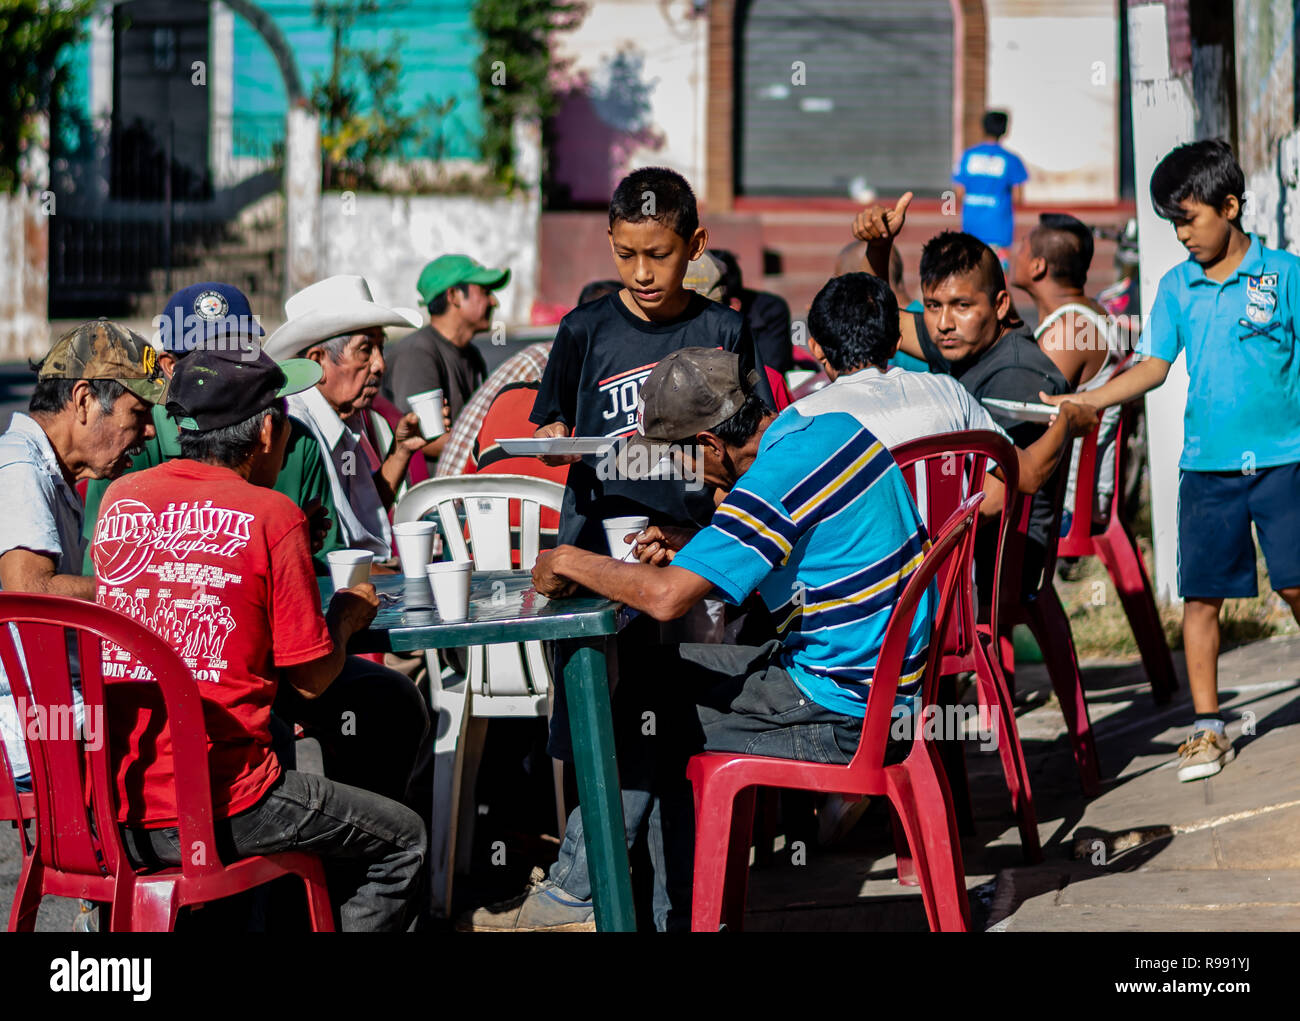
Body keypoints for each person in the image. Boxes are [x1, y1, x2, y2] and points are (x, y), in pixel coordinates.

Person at [464, 348, 933, 931]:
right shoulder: (829, 432)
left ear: (710, 445)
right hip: (882, 692)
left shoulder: (772, 479)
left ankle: (577, 898)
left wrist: (569, 559)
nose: (687, 477)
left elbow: (666, 599)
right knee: (654, 690)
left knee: (646, 707)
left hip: (844, 715)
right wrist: (692, 542)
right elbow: (781, 544)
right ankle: (656, 911)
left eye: (684, 461)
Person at [94, 345, 425, 931]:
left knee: (354, 709)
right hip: (225, 803)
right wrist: (347, 615)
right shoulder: (272, 515)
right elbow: (315, 679)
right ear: (268, 429)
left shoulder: (124, 499)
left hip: (121, 796)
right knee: (403, 842)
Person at [1040, 139, 1300, 783]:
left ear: (1231, 207)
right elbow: (1152, 368)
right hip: (1206, 471)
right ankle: (1208, 728)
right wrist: (1086, 401)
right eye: (1174, 222)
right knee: (1202, 598)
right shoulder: (1176, 287)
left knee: (1296, 585)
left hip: (1285, 463)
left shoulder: (1286, 275)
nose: (1182, 234)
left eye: (1190, 218)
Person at [852, 194, 1071, 594]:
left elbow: (994, 497)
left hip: (998, 564)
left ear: (1001, 304)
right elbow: (880, 319)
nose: (945, 323)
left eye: (962, 305)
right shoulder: (966, 339)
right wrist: (879, 246)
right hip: (964, 544)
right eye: (933, 306)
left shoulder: (1015, 374)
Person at [0, 320, 164, 790]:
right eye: (138, 413)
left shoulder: (49, 472)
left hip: (47, 705)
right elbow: (30, 591)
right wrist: (145, 594)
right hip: (26, 721)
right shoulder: (19, 467)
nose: (149, 433)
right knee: (192, 731)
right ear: (85, 400)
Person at [81, 282, 340, 574]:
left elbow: (329, 565)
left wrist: (296, 544)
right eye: (207, 355)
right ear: (170, 366)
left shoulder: (293, 441)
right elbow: (108, 572)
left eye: (241, 350)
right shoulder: (134, 444)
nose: (228, 367)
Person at [263, 275, 430, 560]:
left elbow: (363, 512)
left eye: (381, 348)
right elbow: (312, 556)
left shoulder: (344, 415)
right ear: (317, 363)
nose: (380, 364)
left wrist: (401, 451)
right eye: (366, 350)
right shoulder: (294, 428)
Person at [1009, 213, 1124, 528]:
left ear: (1038, 266)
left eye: (1020, 247)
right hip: (1077, 495)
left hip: (1066, 505)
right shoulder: (1090, 313)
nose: (1010, 255)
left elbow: (1026, 414)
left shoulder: (1069, 332)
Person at [382, 254, 509, 472]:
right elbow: (426, 440)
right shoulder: (418, 353)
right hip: (431, 498)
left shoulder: (472, 355)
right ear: (454, 296)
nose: (494, 301)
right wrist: (500, 447)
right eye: (485, 292)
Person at [954, 110, 1029, 263]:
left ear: (983, 127)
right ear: (1005, 130)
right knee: (998, 276)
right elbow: (1018, 197)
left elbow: (959, 193)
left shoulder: (968, 156)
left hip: (971, 228)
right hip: (999, 230)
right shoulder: (1011, 159)